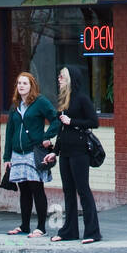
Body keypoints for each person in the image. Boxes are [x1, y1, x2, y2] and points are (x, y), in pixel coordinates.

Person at [2, 71, 59, 238]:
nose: (21, 86)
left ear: (31, 86)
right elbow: (9, 131)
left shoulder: (40, 102)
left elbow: (55, 119)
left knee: (37, 189)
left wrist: (47, 137)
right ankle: (24, 225)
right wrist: (7, 157)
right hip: (17, 153)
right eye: (19, 83)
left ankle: (41, 227)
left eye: (25, 83)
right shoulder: (15, 105)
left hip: (33, 152)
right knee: (24, 190)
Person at [50, 64, 101, 243]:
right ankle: (69, 231)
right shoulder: (63, 100)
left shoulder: (81, 99)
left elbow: (94, 122)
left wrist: (72, 121)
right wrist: (54, 152)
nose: (59, 79)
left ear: (70, 79)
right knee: (68, 191)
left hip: (80, 152)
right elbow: (61, 130)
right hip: (65, 152)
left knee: (83, 190)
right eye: (59, 76)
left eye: (62, 76)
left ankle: (92, 232)